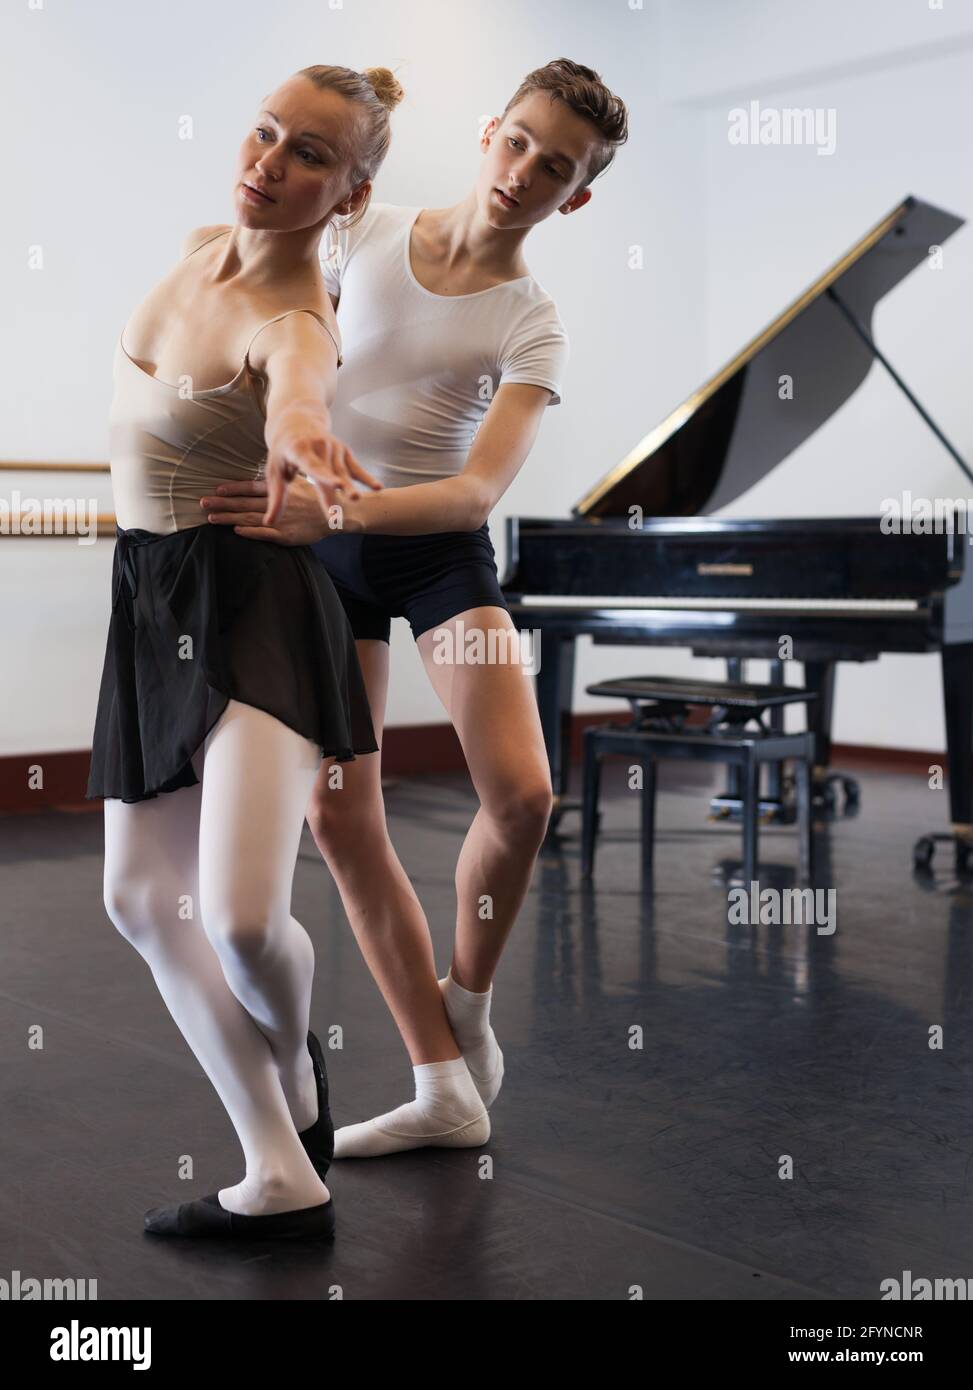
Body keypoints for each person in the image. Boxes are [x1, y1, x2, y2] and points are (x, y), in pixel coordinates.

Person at [201, 58, 630, 1157]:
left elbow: (478, 488)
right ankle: (441, 1085)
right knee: (342, 815)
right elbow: (287, 343)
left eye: (558, 168)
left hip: (431, 549)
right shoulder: (362, 233)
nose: (527, 171)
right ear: (491, 132)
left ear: (576, 196)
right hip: (322, 552)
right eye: (520, 142)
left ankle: (468, 1010)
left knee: (524, 797)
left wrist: (341, 515)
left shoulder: (533, 322)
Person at [85, 64, 409, 1240]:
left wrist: (305, 435)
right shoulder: (191, 245)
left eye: (311, 154)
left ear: (350, 191)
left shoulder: (294, 320)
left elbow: (298, 396)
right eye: (267, 133)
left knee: (235, 917)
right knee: (134, 894)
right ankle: (279, 1164)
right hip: (148, 588)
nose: (270, 161)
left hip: (253, 601)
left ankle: (297, 1061)